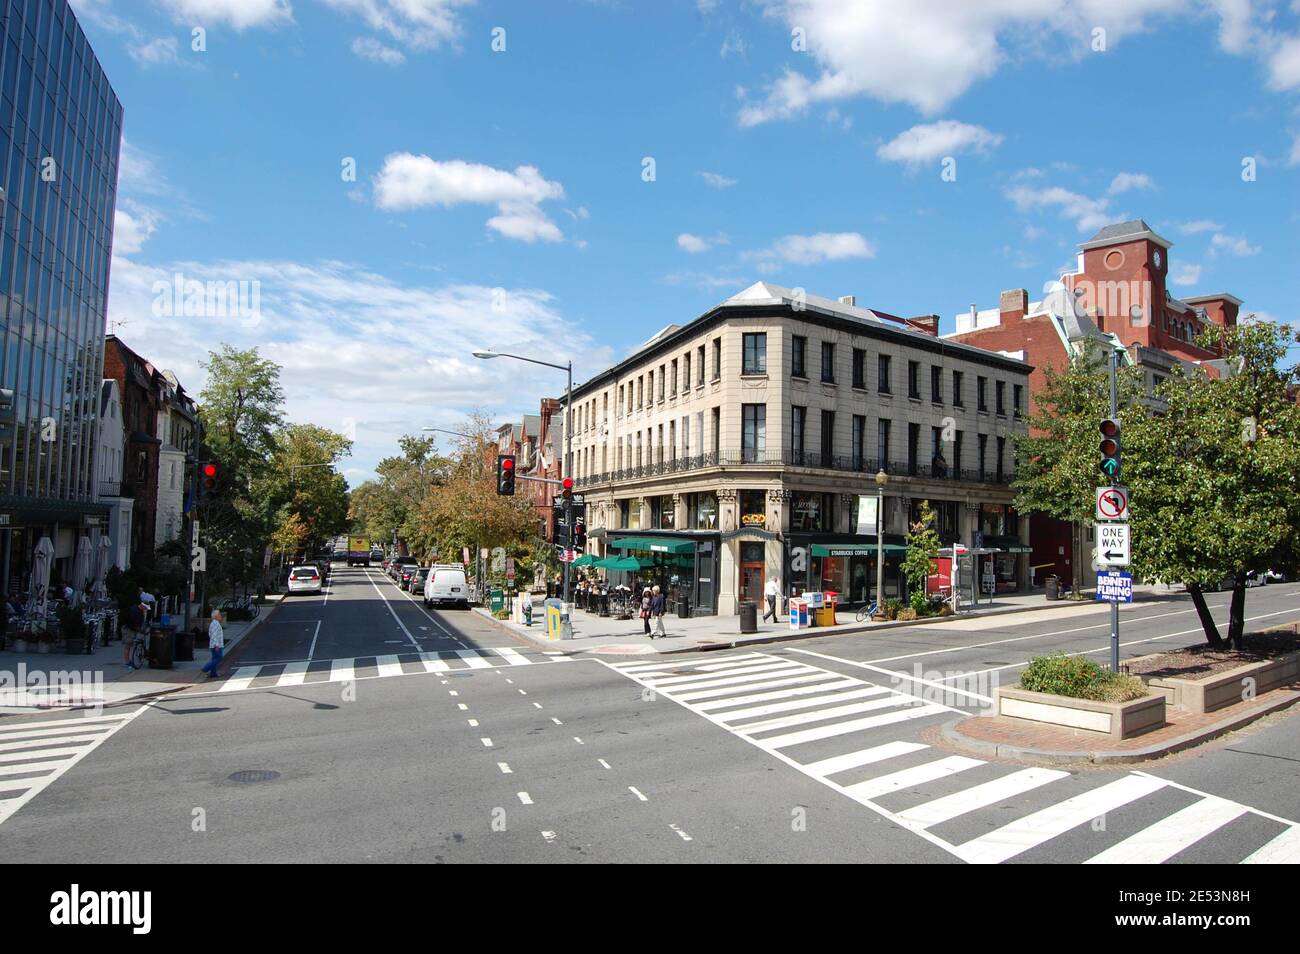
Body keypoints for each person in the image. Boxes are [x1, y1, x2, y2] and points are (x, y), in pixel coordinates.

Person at [201, 610, 225, 678]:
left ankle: (213, 673)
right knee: (219, 657)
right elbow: (214, 635)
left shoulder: (215, 623)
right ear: (216, 616)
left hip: (215, 644)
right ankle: (206, 668)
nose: (220, 616)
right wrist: (216, 645)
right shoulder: (215, 624)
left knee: (214, 658)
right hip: (216, 645)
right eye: (219, 614)